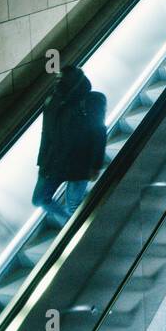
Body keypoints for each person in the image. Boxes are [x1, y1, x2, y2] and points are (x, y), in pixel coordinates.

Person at [32, 67, 107, 226]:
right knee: (39, 199)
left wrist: (95, 165)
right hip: (53, 162)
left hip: (80, 162)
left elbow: (99, 133)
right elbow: (45, 132)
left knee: (74, 204)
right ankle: (70, 224)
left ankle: (75, 230)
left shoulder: (93, 100)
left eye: (62, 79)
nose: (58, 82)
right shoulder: (52, 100)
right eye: (58, 79)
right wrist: (42, 160)